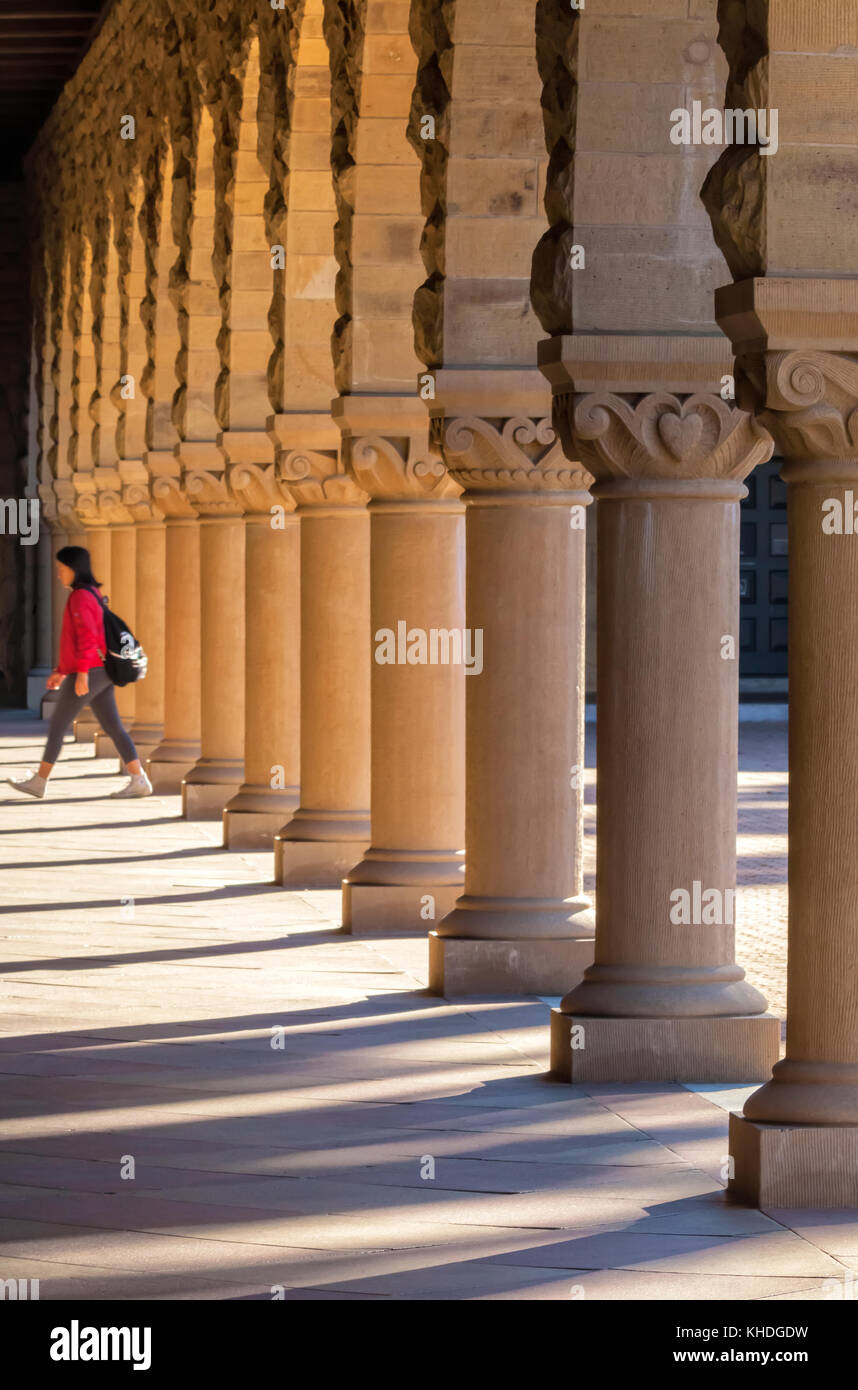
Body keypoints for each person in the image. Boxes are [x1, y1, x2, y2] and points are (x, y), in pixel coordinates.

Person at [8, 545, 152, 800]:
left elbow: (87, 638)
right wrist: (61, 671)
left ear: (74, 569)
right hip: (99, 669)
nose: (59, 575)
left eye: (62, 569)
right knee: (113, 726)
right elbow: (76, 640)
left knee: (58, 725)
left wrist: (81, 673)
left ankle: (39, 782)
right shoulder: (91, 594)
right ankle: (138, 779)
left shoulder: (80, 597)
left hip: (91, 670)